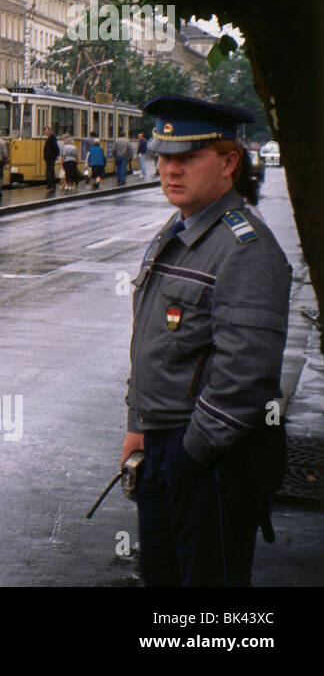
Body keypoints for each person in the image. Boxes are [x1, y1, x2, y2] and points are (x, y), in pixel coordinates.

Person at [122, 95, 290, 587]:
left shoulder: (245, 249)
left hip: (213, 462)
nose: (171, 170)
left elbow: (246, 377)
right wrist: (139, 425)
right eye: (164, 157)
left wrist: (190, 455)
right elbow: (153, 342)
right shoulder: (178, 229)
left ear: (229, 163)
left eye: (188, 157)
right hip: (164, 447)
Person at [43, 127, 60, 191]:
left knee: (50, 172)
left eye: (46, 131)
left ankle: (51, 186)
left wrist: (57, 154)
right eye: (45, 131)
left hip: (51, 157)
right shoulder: (49, 137)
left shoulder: (52, 137)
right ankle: (50, 185)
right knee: (49, 171)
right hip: (49, 157)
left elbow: (55, 146)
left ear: (50, 131)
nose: (45, 132)